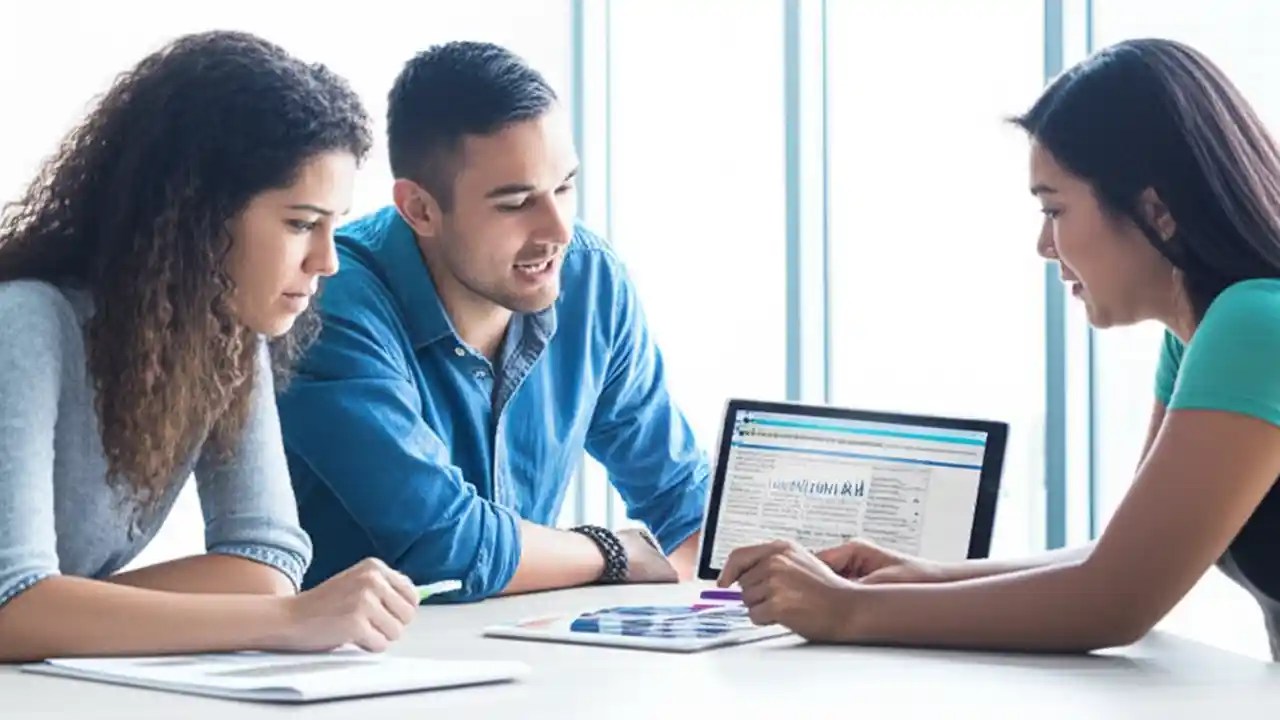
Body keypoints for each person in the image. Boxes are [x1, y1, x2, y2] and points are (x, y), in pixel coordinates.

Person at [719, 38, 1280, 660]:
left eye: (1055, 208)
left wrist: (847, 610)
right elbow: (1120, 555)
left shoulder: (1254, 325)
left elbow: (1117, 600)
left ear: (1156, 210)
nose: (1045, 245)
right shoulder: (1203, 333)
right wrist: (922, 574)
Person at [0, 30, 420, 663]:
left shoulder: (225, 332)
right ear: (198, 214)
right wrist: (288, 621)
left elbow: (265, 560)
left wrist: (61, 612)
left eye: (333, 225)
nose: (327, 261)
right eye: (301, 223)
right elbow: (11, 610)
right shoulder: (24, 320)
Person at [275, 41, 709, 602]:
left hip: (525, 655)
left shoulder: (590, 281)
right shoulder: (331, 300)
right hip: (362, 668)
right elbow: (442, 544)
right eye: (515, 202)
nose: (558, 231)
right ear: (420, 210)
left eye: (564, 187)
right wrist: (612, 550)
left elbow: (679, 495)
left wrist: (799, 586)